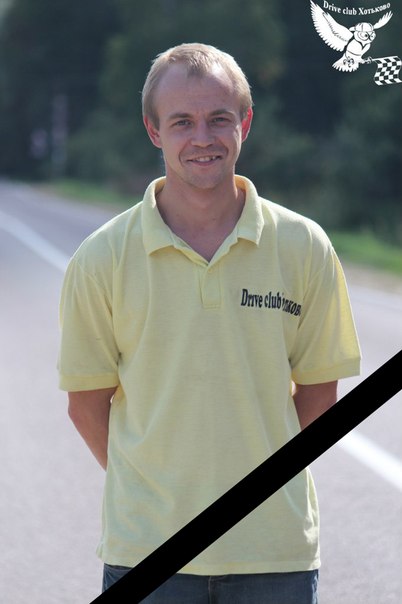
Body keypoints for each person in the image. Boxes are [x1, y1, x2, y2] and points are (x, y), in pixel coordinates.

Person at [58, 43, 361, 603]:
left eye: (219, 118)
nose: (203, 137)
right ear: (154, 131)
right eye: (182, 122)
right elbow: (86, 404)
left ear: (245, 124)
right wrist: (154, 490)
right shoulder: (101, 258)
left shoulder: (304, 246)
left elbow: (321, 392)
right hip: (146, 547)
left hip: (275, 554)